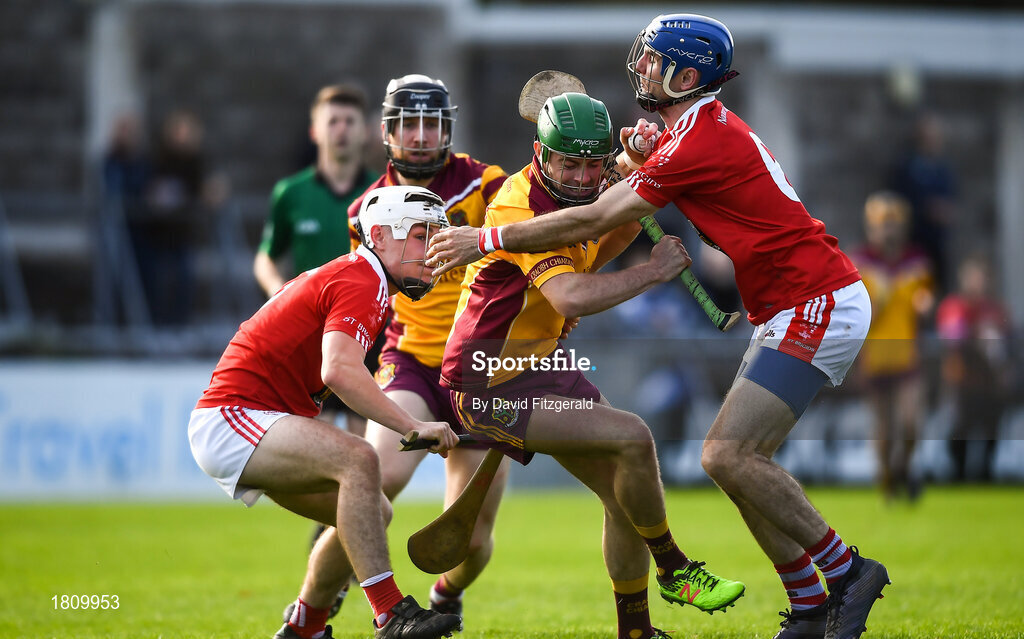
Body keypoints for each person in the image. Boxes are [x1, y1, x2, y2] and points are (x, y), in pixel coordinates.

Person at [427, 14, 890, 639]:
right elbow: (592, 242)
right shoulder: (689, 134)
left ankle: (845, 572)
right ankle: (805, 606)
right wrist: (634, 173)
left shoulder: (692, 141)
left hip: (815, 299)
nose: (641, 69)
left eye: (653, 61)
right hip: (500, 374)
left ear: (686, 77)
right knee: (729, 461)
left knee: (727, 456)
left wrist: (484, 238)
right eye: (570, 164)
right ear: (542, 156)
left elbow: (597, 221)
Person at [441, 91, 745, 639]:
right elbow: (571, 296)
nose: (582, 179)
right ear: (540, 153)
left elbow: (605, 239)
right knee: (633, 436)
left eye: (591, 165)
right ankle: (674, 567)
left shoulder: (589, 188)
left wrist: (636, 166)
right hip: (486, 380)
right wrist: (652, 273)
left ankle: (636, 632)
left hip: (541, 363)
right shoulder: (519, 207)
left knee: (622, 494)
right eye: (568, 164)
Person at [283, 74, 509, 630]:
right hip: (410, 364)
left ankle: (446, 593)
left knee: (471, 540)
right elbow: (370, 298)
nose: (421, 136)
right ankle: (309, 611)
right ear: (386, 132)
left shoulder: (487, 185)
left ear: (447, 129)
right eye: (409, 124)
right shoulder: (366, 210)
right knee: (370, 486)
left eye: (432, 123)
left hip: (483, 372)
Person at [189, 185, 462, 639]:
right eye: (420, 236)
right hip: (233, 418)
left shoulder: (367, 280)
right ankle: (391, 614)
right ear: (379, 235)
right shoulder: (362, 279)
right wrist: (412, 425)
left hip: (260, 421)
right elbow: (338, 370)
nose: (431, 251)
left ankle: (304, 626)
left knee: (375, 510)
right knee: (359, 458)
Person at [254, 83, 382, 438]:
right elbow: (266, 257)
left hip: (366, 332)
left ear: (365, 132)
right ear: (315, 131)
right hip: (309, 332)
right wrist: (279, 292)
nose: (341, 130)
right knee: (315, 440)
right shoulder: (291, 193)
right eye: (332, 121)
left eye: (349, 121)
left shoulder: (383, 193)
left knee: (364, 446)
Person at [849, 192, 935, 502]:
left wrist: (926, 306)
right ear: (870, 226)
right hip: (874, 356)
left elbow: (925, 300)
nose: (888, 230)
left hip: (908, 355)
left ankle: (901, 468)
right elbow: (856, 314)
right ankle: (887, 482)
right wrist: (879, 301)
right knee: (883, 427)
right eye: (882, 224)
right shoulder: (859, 263)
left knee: (911, 423)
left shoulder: (917, 262)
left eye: (893, 223)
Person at [935, 255, 1011, 483]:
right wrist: (978, 336)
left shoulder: (995, 310)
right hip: (961, 379)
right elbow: (953, 337)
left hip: (988, 381)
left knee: (990, 428)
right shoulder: (955, 306)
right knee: (961, 428)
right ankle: (958, 474)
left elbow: (1005, 344)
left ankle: (985, 473)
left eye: (981, 278)